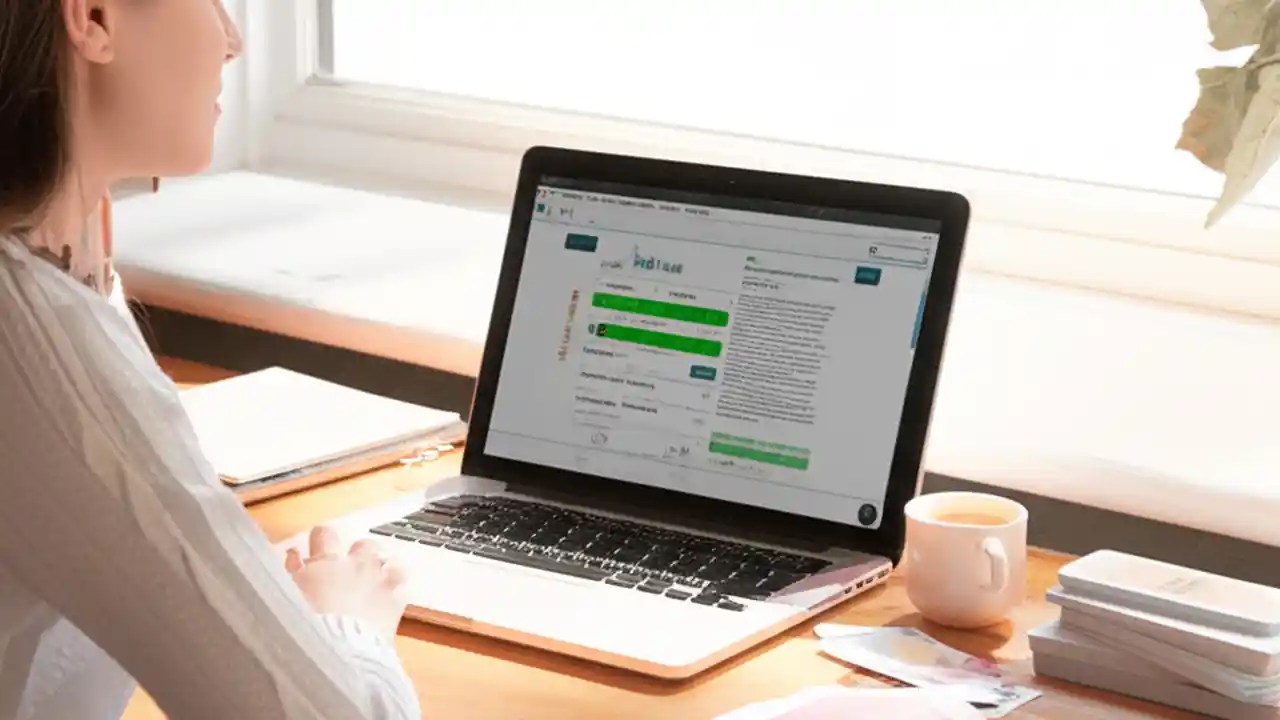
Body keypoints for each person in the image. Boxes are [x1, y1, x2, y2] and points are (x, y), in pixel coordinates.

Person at [0, 2, 423, 718]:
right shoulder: (36, 333)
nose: (231, 40)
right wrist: (343, 624)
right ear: (94, 17)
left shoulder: (61, 274)